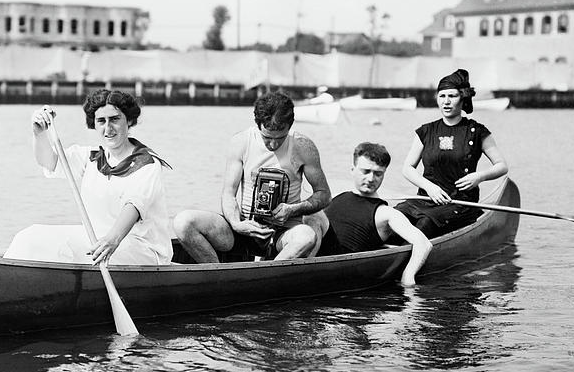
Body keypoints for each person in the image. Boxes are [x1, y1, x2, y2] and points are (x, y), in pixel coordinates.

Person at [4, 89, 173, 265]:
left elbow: (134, 206)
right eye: (101, 121)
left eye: (115, 119)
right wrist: (39, 133)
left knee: (64, 248)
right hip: (99, 240)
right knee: (30, 235)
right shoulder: (91, 158)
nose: (108, 128)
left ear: (129, 120)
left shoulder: (147, 163)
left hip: (142, 249)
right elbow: (49, 162)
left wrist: (111, 240)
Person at [173, 91, 331, 262]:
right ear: (258, 125)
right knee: (183, 222)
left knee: (306, 236)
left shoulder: (303, 146)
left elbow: (324, 195)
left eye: (280, 138)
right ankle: (218, 275)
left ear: (290, 126)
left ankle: (267, 277)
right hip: (244, 227)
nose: (273, 144)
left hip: (283, 232)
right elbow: (228, 194)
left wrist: (292, 209)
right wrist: (236, 224)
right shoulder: (241, 142)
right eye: (267, 138)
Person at [394, 68, 508, 238]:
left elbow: (502, 166)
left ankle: (406, 260)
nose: (446, 102)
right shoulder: (426, 131)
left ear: (463, 98)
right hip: (425, 200)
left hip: (460, 203)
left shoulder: (477, 131)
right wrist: (429, 187)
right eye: (442, 96)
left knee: (424, 224)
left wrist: (480, 177)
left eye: (452, 96)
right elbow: (407, 168)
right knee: (394, 218)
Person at [316, 142, 432, 286]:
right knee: (312, 211)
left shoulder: (386, 213)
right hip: (316, 254)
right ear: (352, 170)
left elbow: (424, 244)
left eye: (378, 174)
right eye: (365, 171)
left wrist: (408, 275)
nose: (371, 179)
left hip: (340, 266)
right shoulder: (336, 196)